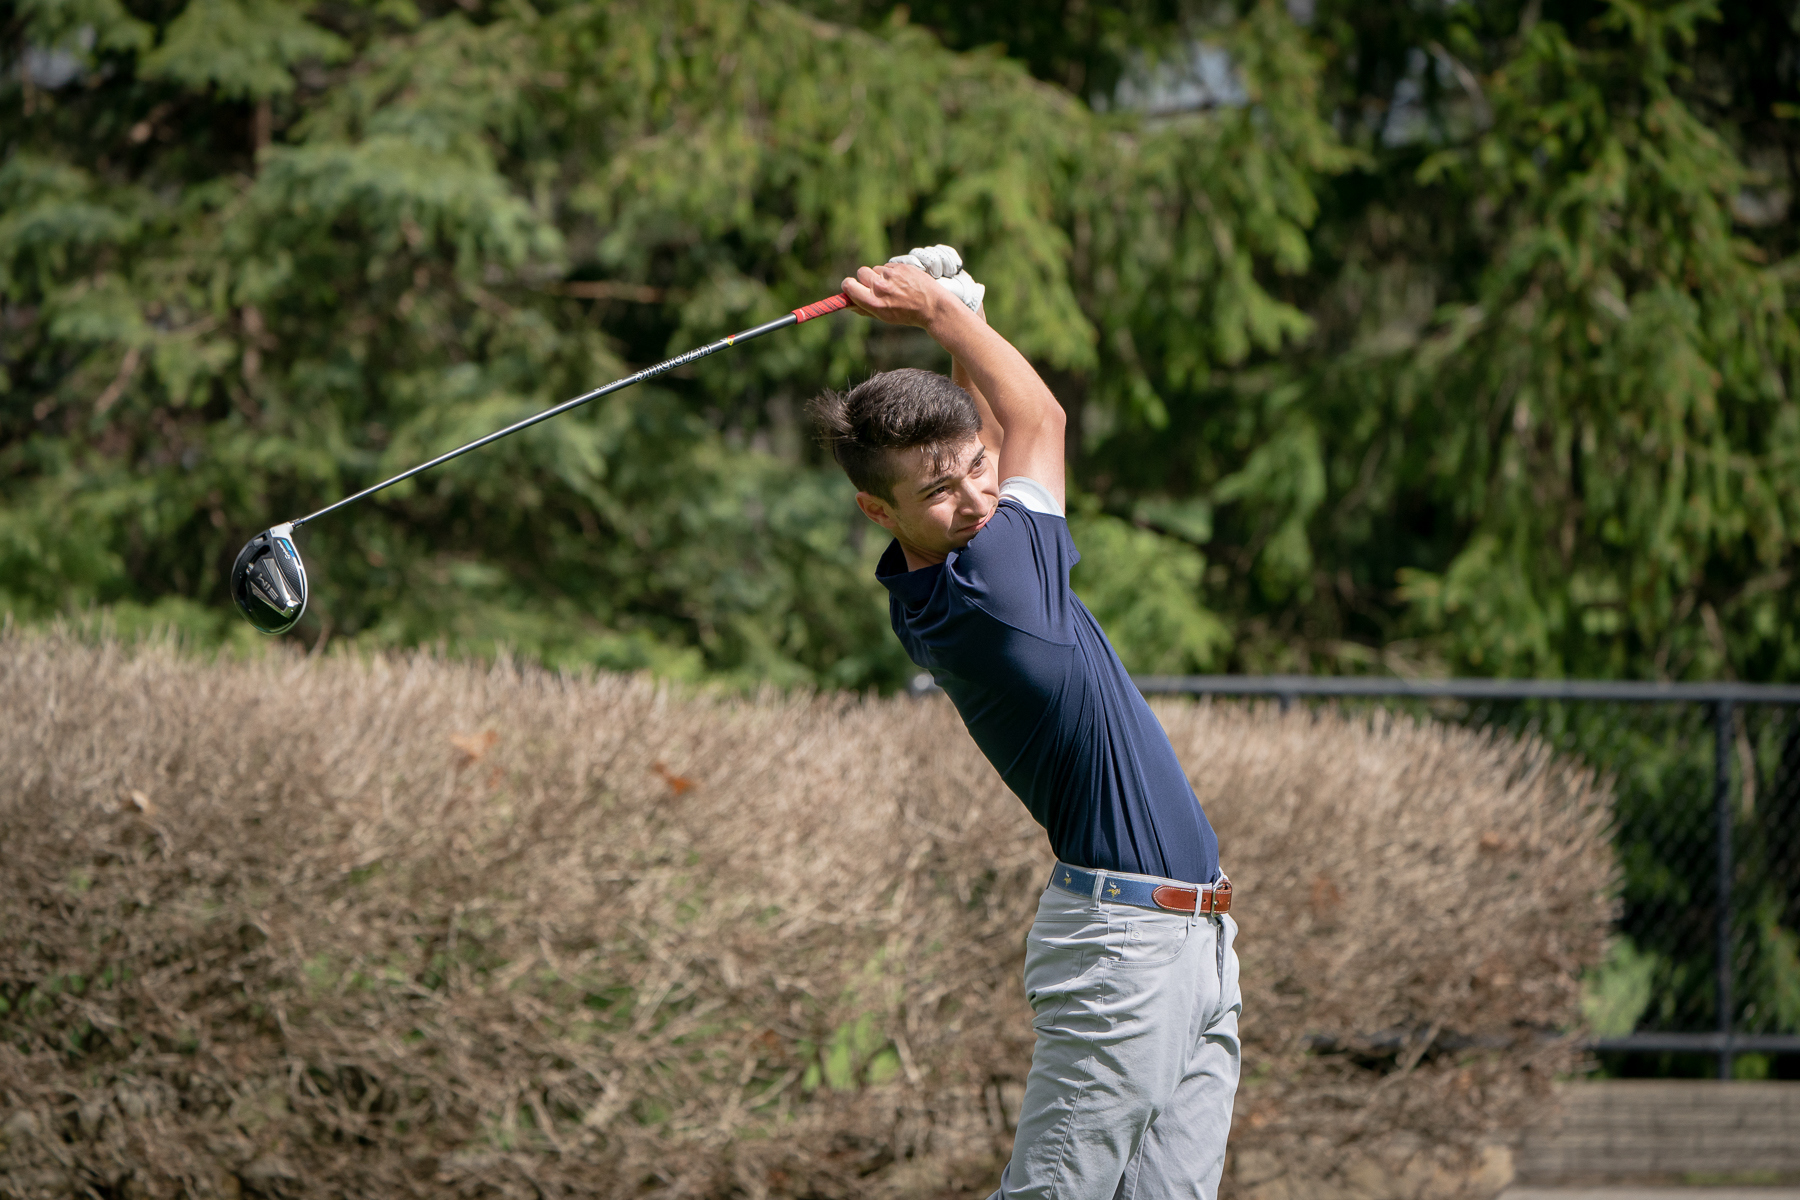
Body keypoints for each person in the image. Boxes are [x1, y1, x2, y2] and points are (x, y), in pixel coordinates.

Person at [809, 247, 1242, 1200]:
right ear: (877, 510)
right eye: (939, 492)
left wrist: (957, 321)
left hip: (1192, 942)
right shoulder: (996, 590)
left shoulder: (950, 576)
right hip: (1124, 947)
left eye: (973, 471)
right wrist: (941, 314)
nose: (975, 496)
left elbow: (994, 434)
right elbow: (1036, 418)